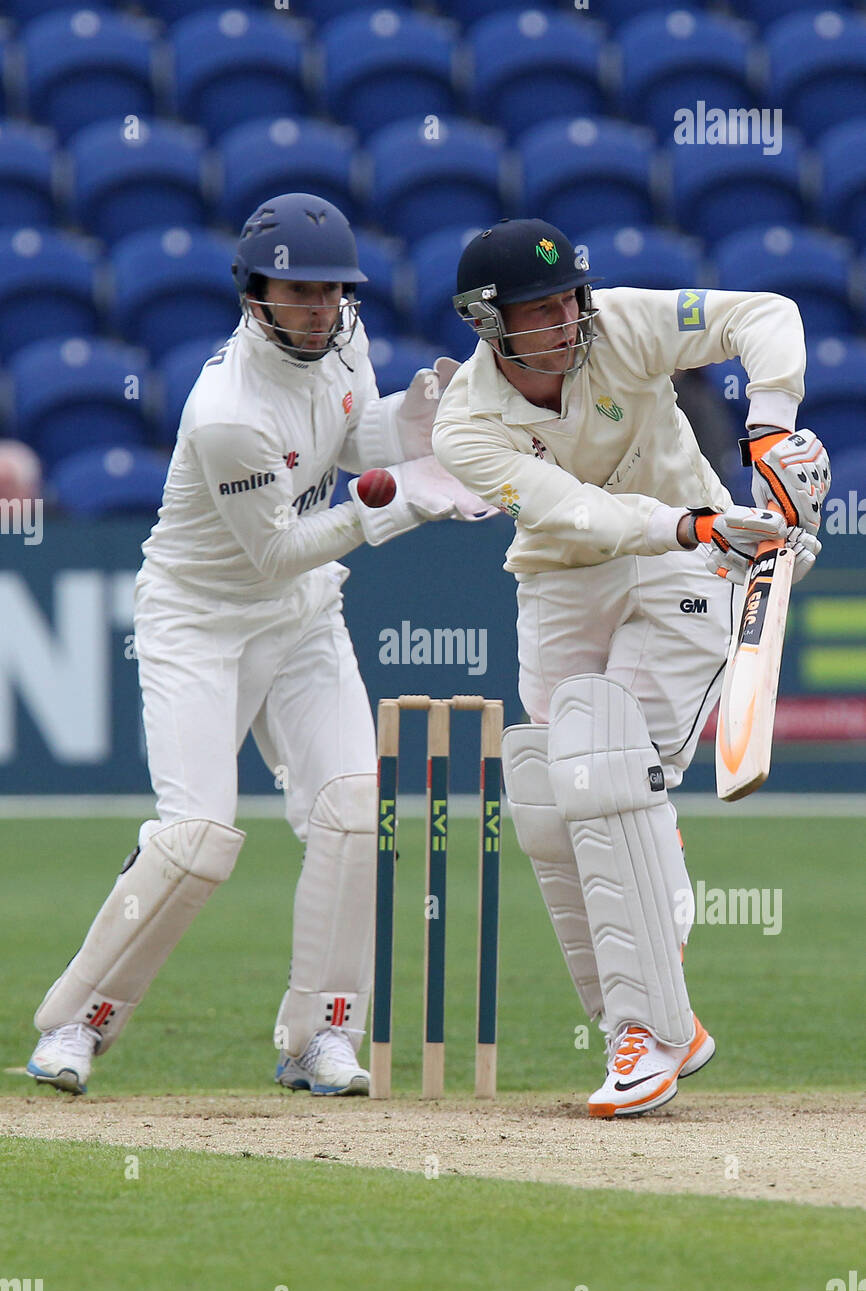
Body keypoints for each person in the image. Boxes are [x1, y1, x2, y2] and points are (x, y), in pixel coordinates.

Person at [26, 193, 492, 1098]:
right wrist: (390, 504)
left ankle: (317, 1035)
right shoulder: (226, 410)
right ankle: (76, 1022)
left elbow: (354, 436)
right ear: (255, 294)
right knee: (196, 838)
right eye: (298, 292)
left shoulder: (344, 341)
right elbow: (276, 545)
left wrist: (425, 422)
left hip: (304, 614)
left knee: (358, 809)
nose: (319, 310)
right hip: (199, 620)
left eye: (332, 292)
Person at [432, 218, 830, 1118]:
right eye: (539, 309)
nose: (568, 318)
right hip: (570, 573)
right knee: (545, 795)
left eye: (569, 295)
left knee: (608, 766)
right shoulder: (465, 424)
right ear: (489, 324)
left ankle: (643, 1035)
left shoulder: (622, 322)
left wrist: (769, 429)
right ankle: (660, 1023)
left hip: (685, 570)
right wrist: (689, 520)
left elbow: (764, 314)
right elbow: (570, 510)